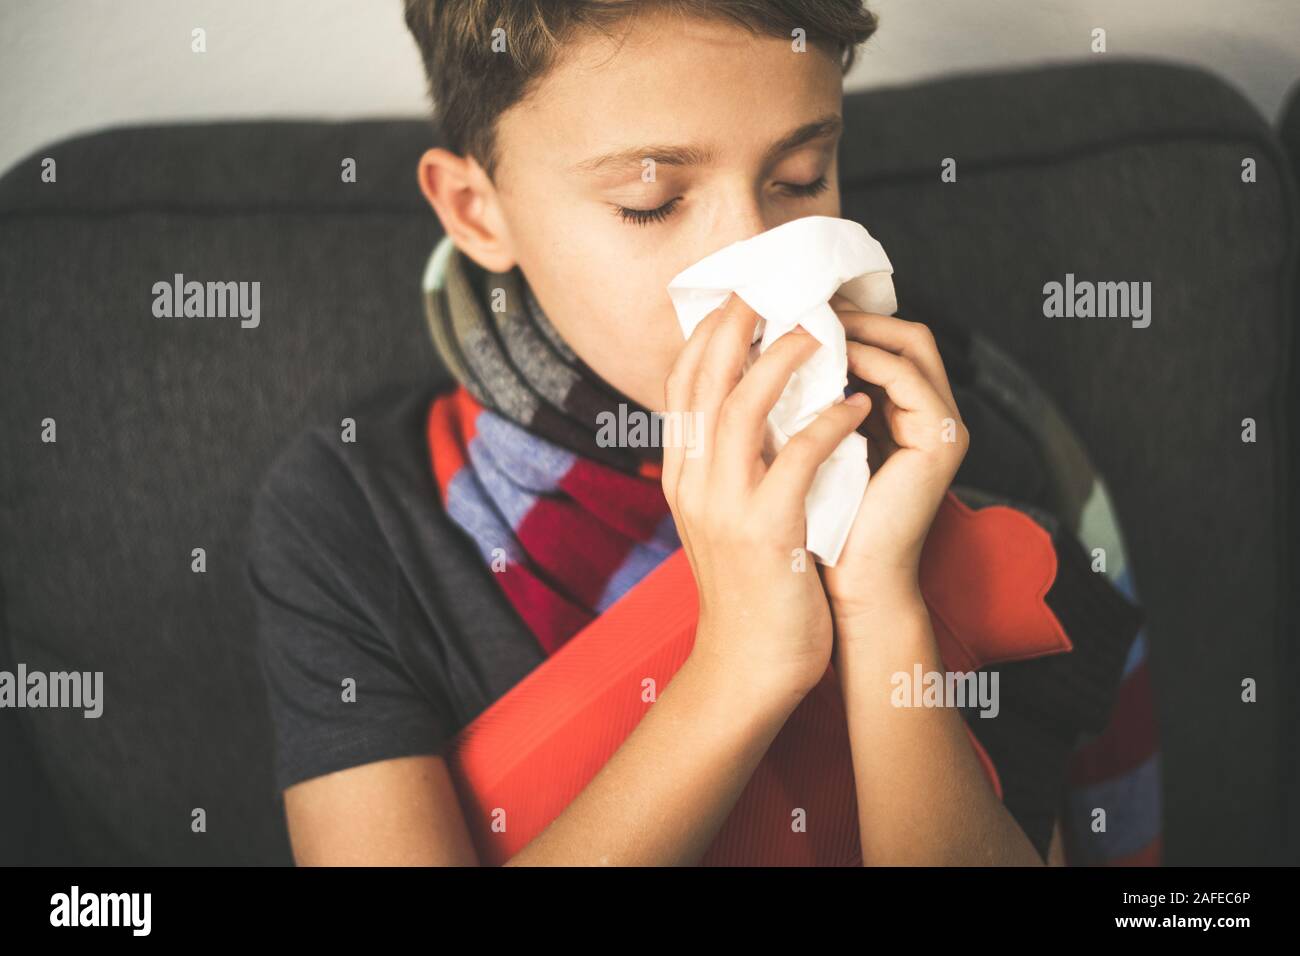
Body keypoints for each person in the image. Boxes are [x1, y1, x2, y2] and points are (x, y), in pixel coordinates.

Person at [247, 0, 1160, 865]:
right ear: (477, 211)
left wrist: (884, 608)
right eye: (652, 201)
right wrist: (743, 661)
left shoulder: (948, 456)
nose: (754, 270)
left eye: (800, 178)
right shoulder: (356, 516)